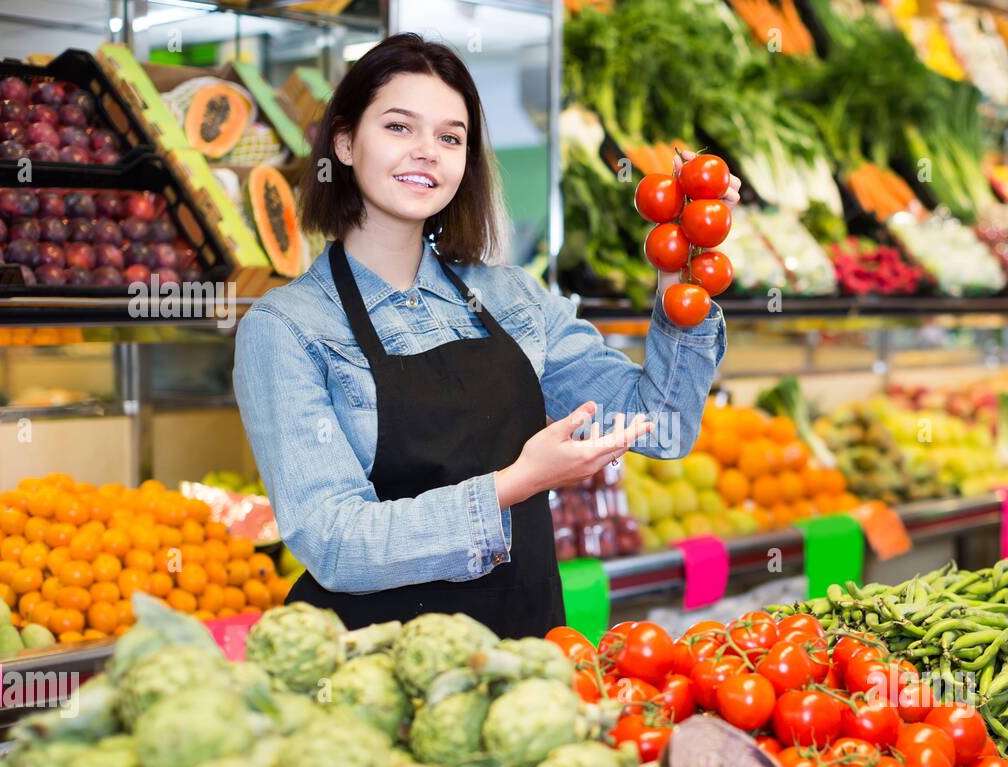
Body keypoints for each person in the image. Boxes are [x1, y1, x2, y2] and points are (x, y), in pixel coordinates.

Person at [233, 33, 736, 635]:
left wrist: (679, 274)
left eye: (450, 137)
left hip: (527, 653)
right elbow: (336, 543)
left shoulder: (513, 298)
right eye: (399, 127)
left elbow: (663, 423)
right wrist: (514, 485)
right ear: (344, 142)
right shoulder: (287, 328)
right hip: (375, 671)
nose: (427, 152)